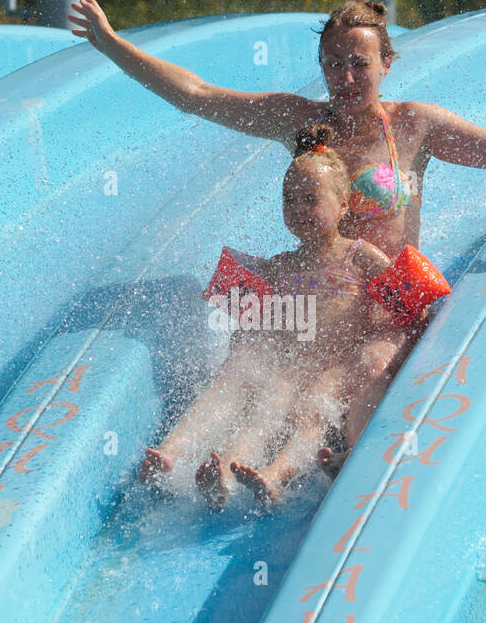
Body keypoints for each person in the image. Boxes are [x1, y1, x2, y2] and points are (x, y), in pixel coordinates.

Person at [70, 0, 486, 458]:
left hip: (381, 301)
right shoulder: (303, 123)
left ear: (386, 64)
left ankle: (343, 463)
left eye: (359, 64)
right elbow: (198, 95)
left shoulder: (413, 128)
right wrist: (112, 43)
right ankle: (200, 458)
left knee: (372, 366)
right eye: (333, 65)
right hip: (318, 293)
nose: (346, 78)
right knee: (250, 361)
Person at [140, 123, 442, 507]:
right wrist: (246, 332)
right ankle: (189, 458)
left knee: (311, 409)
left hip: (336, 366)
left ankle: (277, 474)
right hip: (291, 365)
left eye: (310, 199)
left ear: (344, 205)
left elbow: (407, 300)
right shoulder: (279, 266)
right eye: (289, 200)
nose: (298, 209)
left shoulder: (359, 255)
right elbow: (256, 326)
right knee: (257, 394)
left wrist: (417, 317)